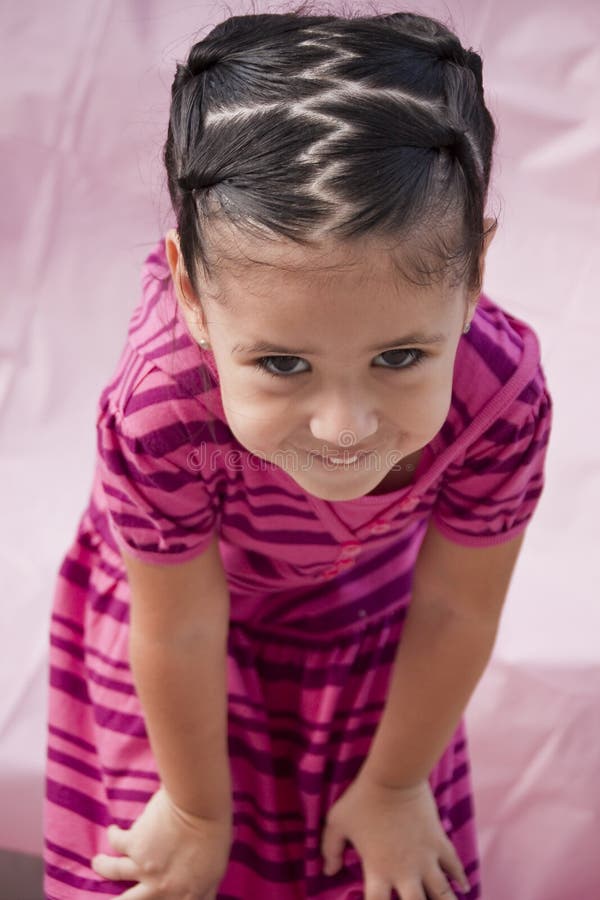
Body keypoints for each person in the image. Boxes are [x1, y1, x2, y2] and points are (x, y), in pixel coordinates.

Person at [43, 7, 553, 900]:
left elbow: (454, 612)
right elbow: (185, 625)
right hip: (182, 635)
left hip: (373, 638)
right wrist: (199, 813)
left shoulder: (500, 398)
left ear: (473, 273)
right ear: (196, 298)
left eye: (400, 357)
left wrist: (396, 787)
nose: (344, 427)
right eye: (283, 364)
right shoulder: (161, 406)